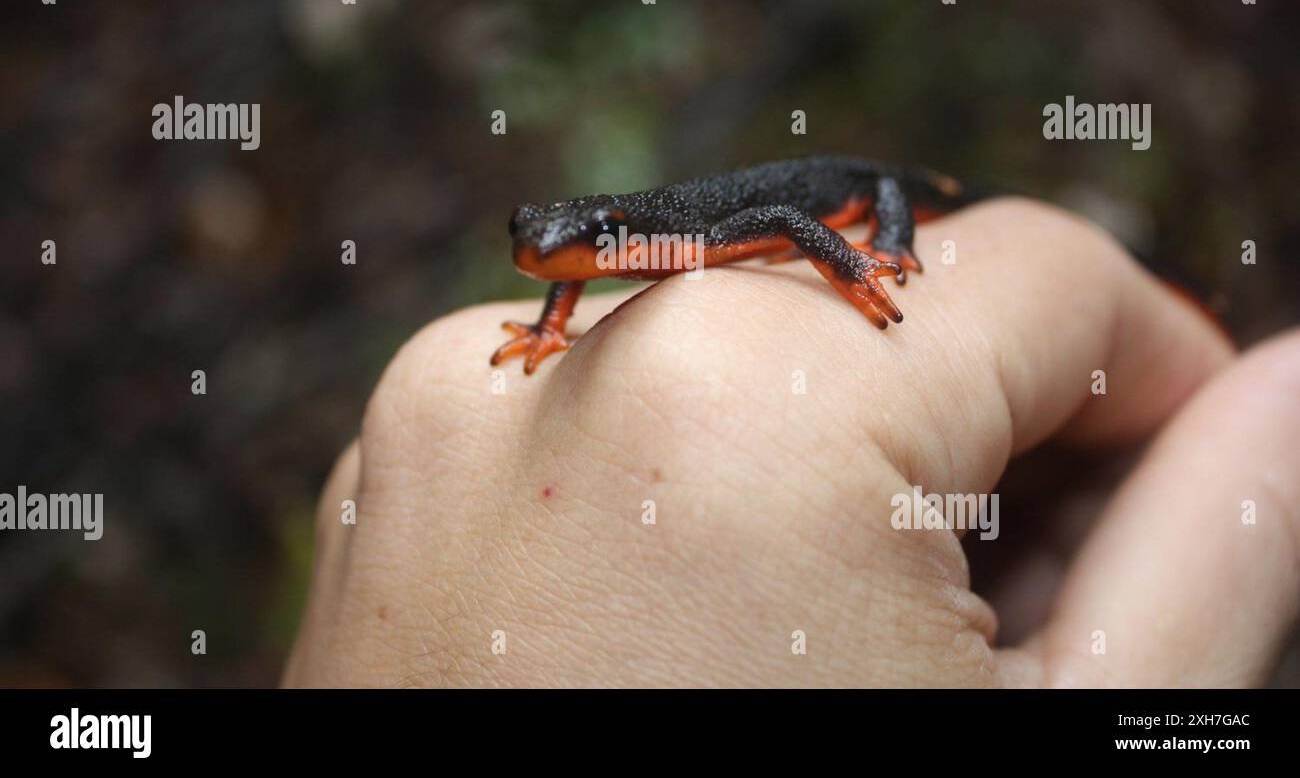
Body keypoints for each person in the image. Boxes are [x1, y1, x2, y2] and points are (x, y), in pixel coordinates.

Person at [283, 198, 1298, 687]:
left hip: (849, 197)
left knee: (862, 199)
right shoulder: (591, 257)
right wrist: (553, 325)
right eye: (535, 248)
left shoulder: (667, 233)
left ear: (618, 230)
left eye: (573, 246)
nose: (550, 259)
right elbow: (573, 267)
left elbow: (777, 215)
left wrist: (855, 262)